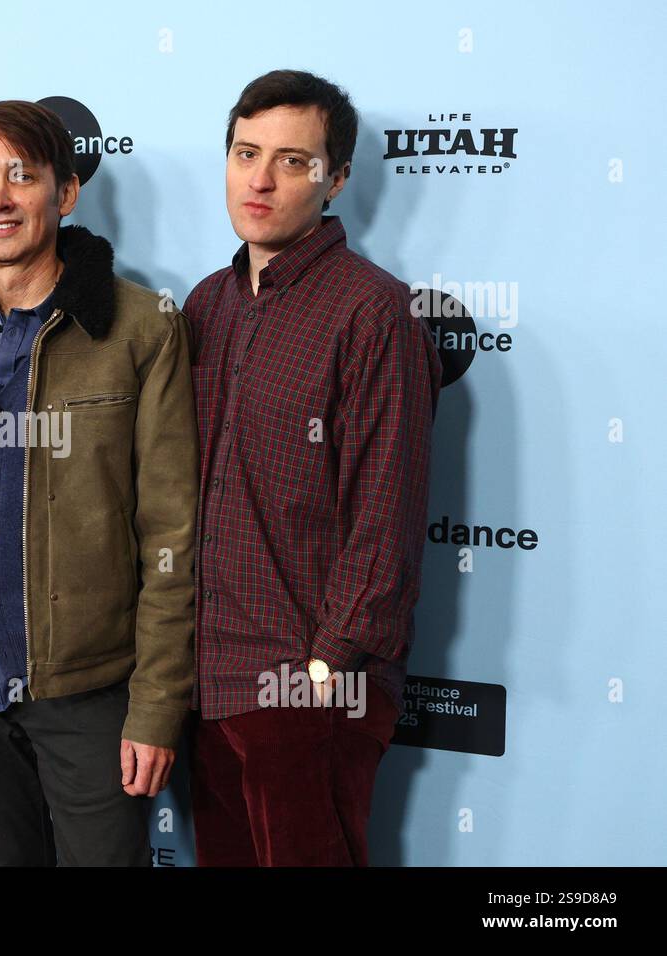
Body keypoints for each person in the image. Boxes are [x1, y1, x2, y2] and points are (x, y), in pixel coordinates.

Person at [0, 100, 199, 866]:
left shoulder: (138, 328)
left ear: (65, 193)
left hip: (91, 698)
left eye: (22, 177)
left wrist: (156, 705)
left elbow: (172, 530)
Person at [184, 71, 442, 866]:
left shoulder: (375, 311)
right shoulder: (204, 305)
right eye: (245, 153)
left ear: (335, 180)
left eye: (291, 161)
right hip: (207, 682)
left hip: (308, 690)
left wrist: (326, 670)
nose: (259, 179)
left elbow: (384, 516)